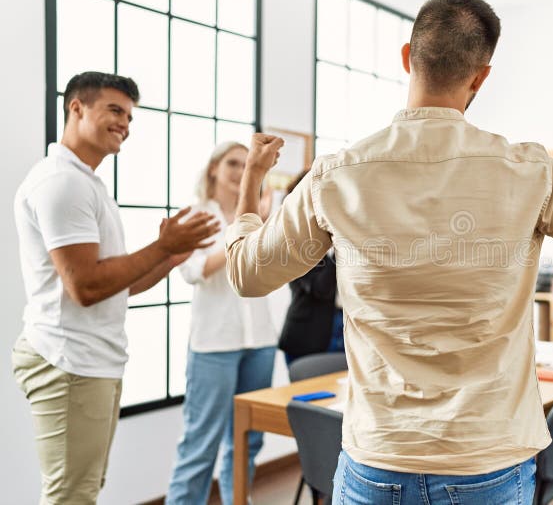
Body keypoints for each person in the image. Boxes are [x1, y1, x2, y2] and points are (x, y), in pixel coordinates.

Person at [226, 0, 553, 504]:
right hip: (486, 458)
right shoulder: (530, 171)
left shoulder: (336, 175)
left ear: (408, 56)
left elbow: (247, 274)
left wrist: (250, 185)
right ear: (481, 76)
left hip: (377, 457)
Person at [12, 71, 218, 504]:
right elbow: (84, 287)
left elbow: (116, 285)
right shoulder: (61, 181)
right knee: (72, 495)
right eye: (114, 110)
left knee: (84, 488)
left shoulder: (86, 182)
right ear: (76, 107)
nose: (125, 123)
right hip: (69, 361)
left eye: (129, 116)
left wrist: (169, 257)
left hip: (90, 361)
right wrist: (162, 244)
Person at [165, 141, 278, 504]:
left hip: (259, 341)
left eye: (247, 165)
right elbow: (193, 271)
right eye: (232, 162)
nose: (240, 170)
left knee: (247, 442)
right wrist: (242, 232)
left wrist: (261, 225)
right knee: (201, 444)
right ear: (213, 167)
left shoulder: (258, 218)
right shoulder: (196, 217)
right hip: (214, 344)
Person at [279, 171, 344, 365]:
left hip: (344, 328)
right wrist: (339, 240)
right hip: (309, 337)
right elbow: (321, 288)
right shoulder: (295, 239)